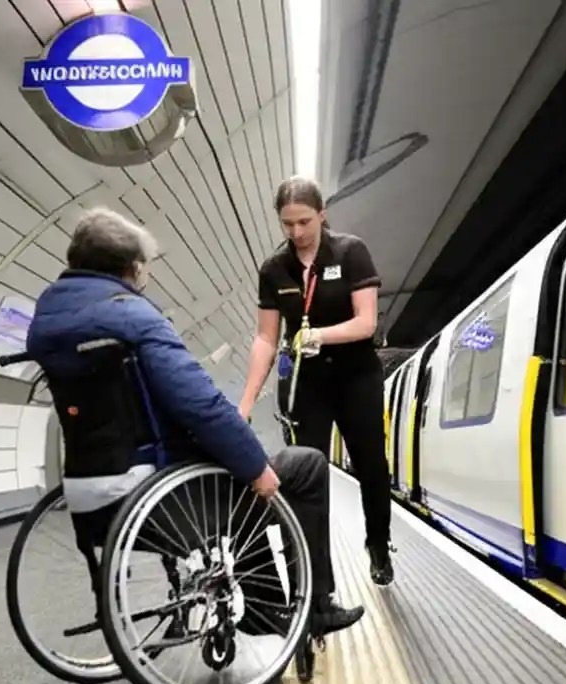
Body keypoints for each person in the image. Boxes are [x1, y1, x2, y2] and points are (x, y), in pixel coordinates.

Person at [25, 206, 364, 639]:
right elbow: (200, 405)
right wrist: (257, 470)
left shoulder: (46, 323)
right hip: (161, 496)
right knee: (302, 466)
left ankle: (264, 607)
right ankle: (314, 607)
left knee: (235, 467)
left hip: (91, 498)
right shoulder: (133, 314)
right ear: (130, 268)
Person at [236, 177, 395, 586]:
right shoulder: (274, 269)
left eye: (304, 221)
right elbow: (266, 338)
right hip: (310, 385)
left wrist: (318, 335)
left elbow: (366, 322)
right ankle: (317, 582)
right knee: (307, 475)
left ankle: (378, 541)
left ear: (322, 215)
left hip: (357, 378)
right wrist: (245, 403)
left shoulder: (350, 252)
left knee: (372, 466)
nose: (296, 232)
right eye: (287, 224)